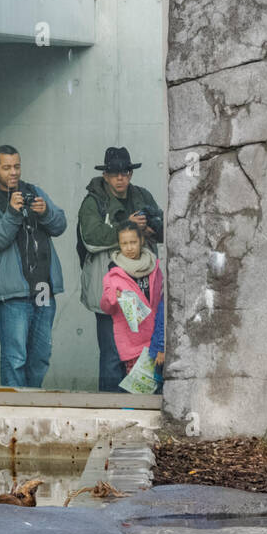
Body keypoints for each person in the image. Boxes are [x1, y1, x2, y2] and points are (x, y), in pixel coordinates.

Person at [0, 145, 66, 388]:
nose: (13, 172)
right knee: (15, 358)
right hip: (13, 294)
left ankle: (32, 403)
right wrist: (13, 212)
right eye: (6, 167)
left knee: (40, 357)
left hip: (43, 289)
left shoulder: (34, 191)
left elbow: (60, 225)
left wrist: (45, 212)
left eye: (16, 166)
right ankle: (14, 407)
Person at [77, 146, 163, 391]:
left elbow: (166, 227)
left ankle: (136, 409)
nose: (120, 178)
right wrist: (127, 228)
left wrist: (151, 229)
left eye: (124, 172)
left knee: (145, 353)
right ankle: (108, 411)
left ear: (130, 174)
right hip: (111, 295)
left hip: (143, 294)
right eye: (114, 173)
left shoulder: (142, 196)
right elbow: (91, 237)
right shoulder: (93, 201)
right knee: (112, 357)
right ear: (105, 175)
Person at [99, 222, 164, 394]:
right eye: (124, 244)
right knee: (138, 392)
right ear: (119, 245)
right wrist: (113, 296)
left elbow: (160, 302)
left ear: (142, 240)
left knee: (156, 389)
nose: (129, 248)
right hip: (132, 342)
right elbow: (106, 307)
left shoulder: (154, 268)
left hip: (154, 341)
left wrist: (160, 342)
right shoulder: (113, 274)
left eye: (133, 242)